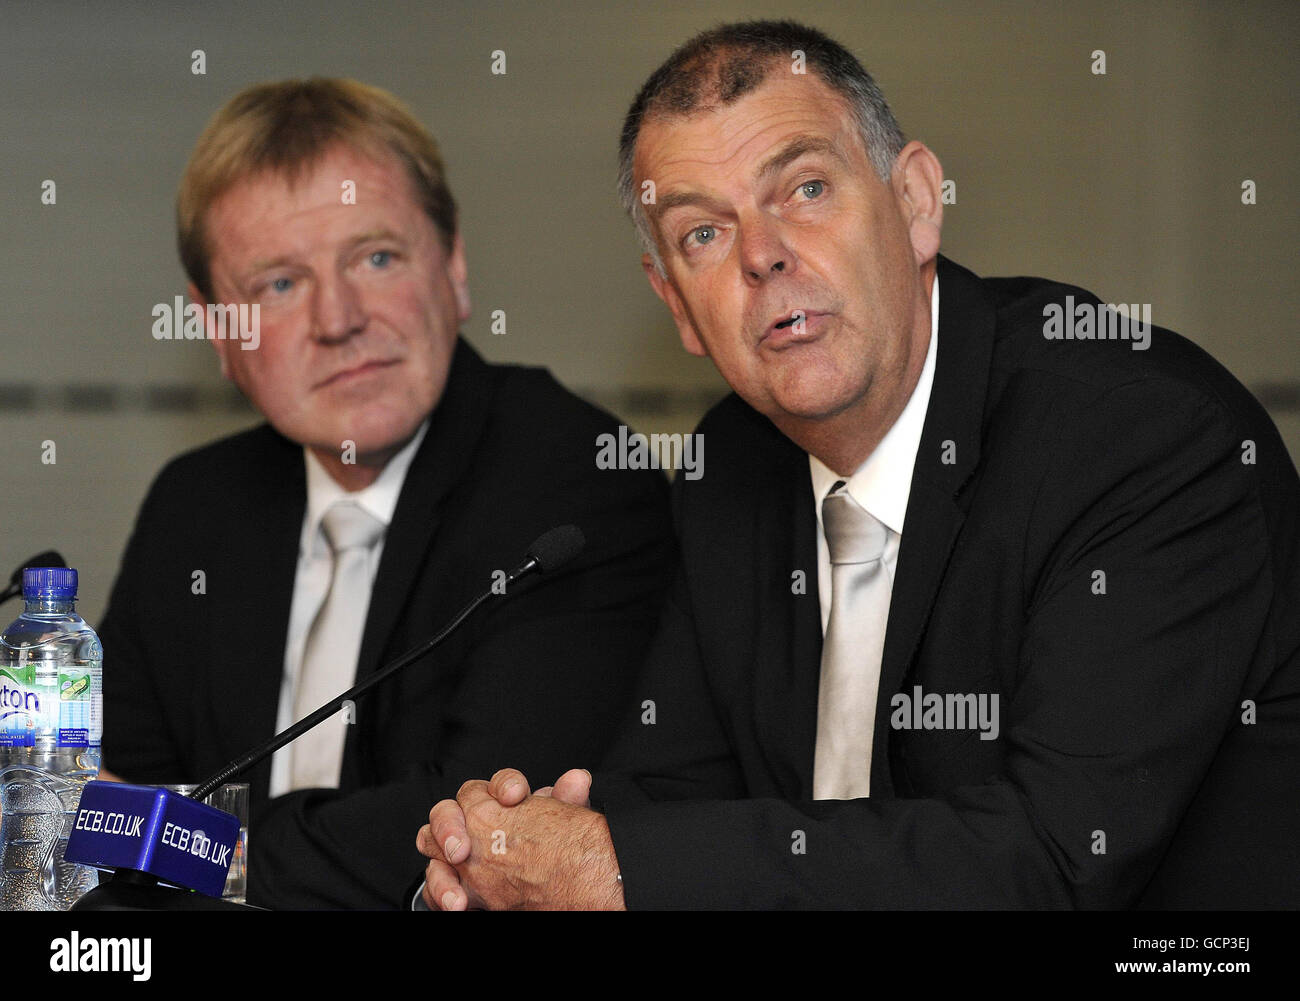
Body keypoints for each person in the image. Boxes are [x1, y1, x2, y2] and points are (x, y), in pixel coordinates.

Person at [417, 20, 1300, 909]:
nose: (762, 254)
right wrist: (513, 861)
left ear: (916, 200)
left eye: (804, 187)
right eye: (703, 235)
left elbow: (1054, 859)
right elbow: (674, 791)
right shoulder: (733, 465)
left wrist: (620, 867)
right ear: (677, 305)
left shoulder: (1141, 436)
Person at [99, 78, 675, 909]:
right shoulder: (194, 508)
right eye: (278, 285)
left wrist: (187, 845)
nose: (339, 317)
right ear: (216, 329)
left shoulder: (578, 480)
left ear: (455, 266)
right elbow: (95, 820)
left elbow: (479, 829)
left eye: (376, 257)